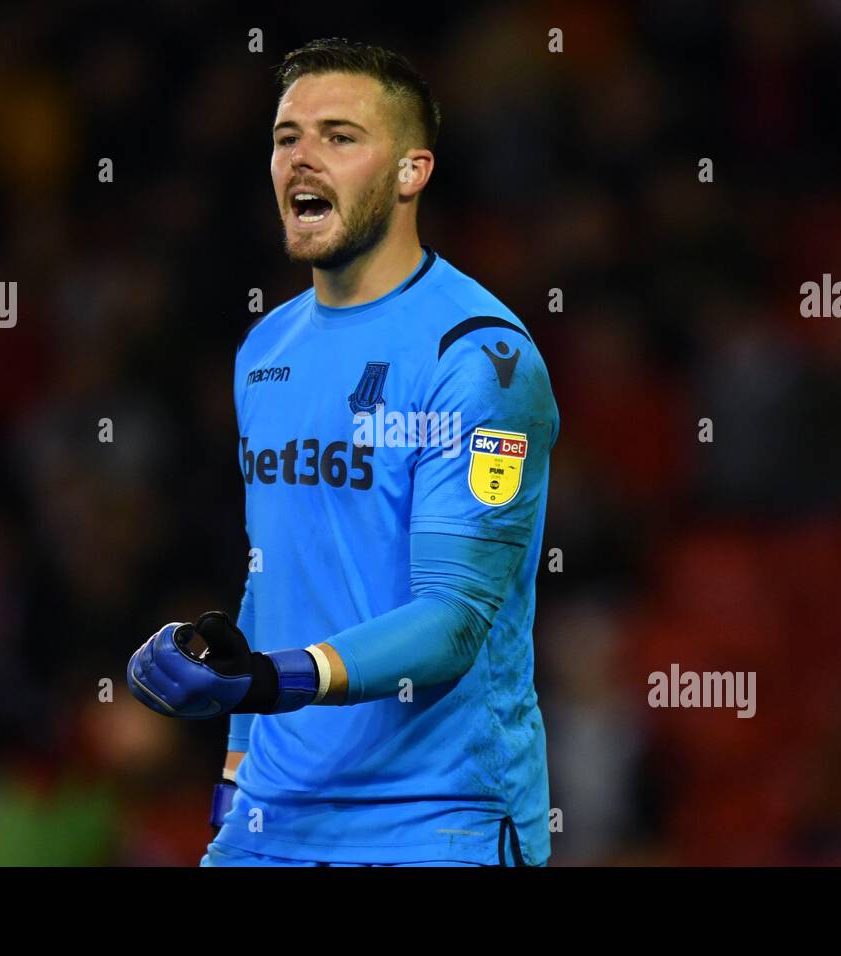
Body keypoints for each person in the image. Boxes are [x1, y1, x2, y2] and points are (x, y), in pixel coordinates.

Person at [127, 37, 559, 867]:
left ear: (411, 172)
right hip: (272, 826)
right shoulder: (266, 350)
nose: (303, 159)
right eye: (288, 138)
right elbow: (272, 581)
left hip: (437, 823)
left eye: (340, 136)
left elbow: (453, 622)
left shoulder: (478, 358)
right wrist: (233, 772)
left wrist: (270, 677)